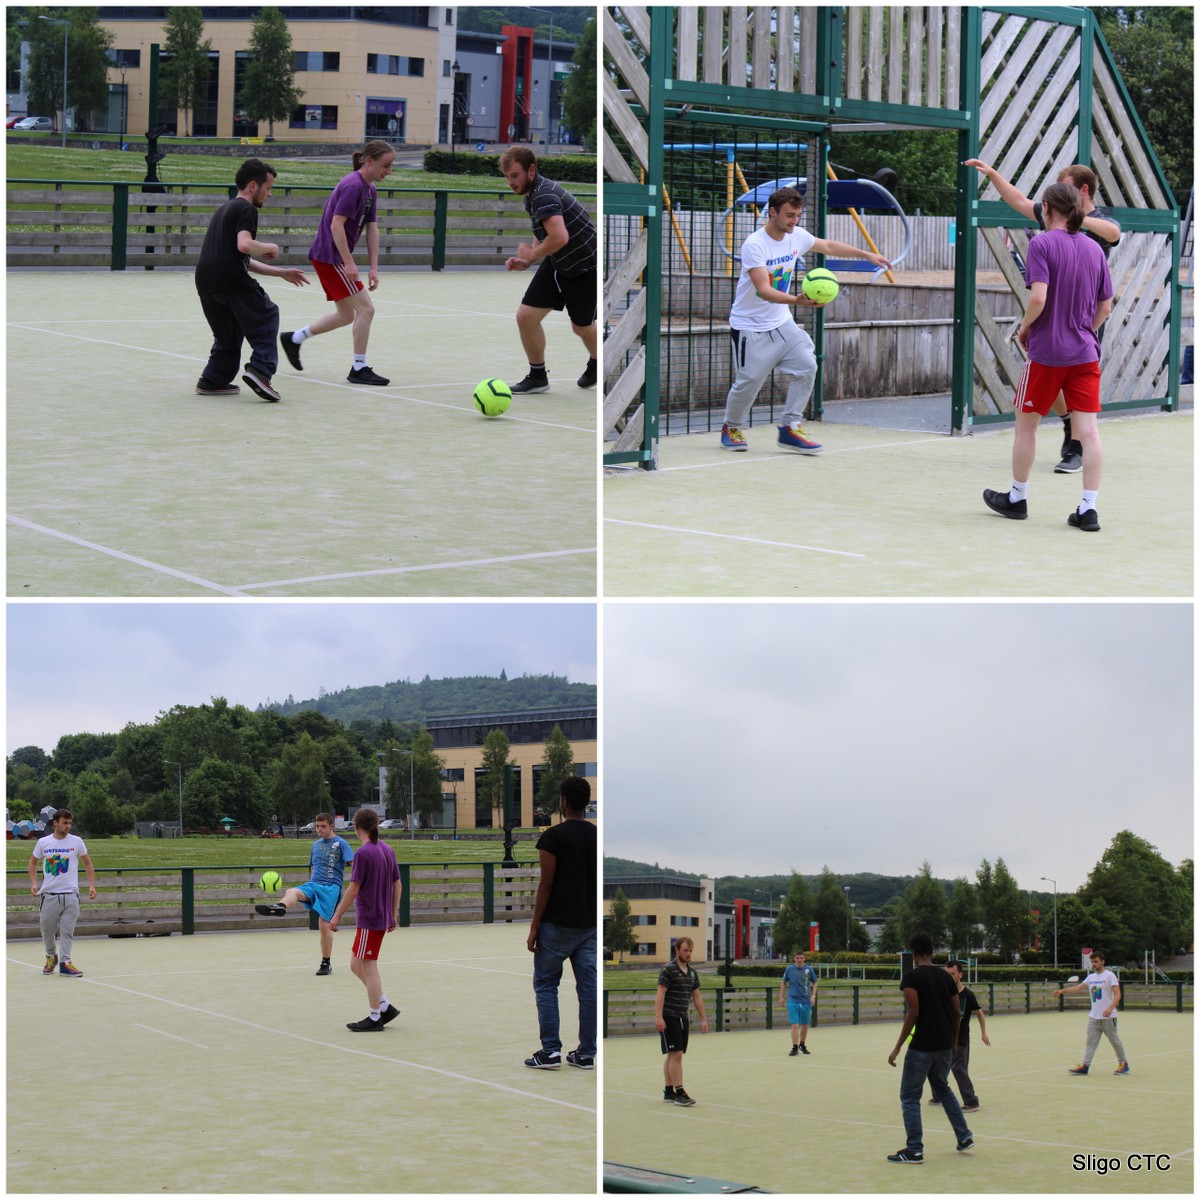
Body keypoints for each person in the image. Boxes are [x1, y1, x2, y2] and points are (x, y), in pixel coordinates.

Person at [964, 159, 1121, 473]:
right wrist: (994, 174)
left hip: (1082, 318)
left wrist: (1074, 218)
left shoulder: (1099, 221)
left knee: (1074, 387)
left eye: (1067, 185)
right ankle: (1068, 426)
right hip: (1051, 317)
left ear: (1083, 190)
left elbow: (1114, 233)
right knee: (1055, 384)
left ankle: (1075, 447)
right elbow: (1020, 200)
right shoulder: (1051, 225)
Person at [981, 182, 1113, 531]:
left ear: (1049, 209)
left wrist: (1025, 327)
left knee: (1026, 426)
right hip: (1085, 354)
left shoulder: (1040, 243)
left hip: (1047, 354)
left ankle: (1017, 498)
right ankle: (1088, 509)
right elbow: (1106, 306)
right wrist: (1087, 330)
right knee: (1089, 433)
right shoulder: (1094, 248)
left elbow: (1038, 298)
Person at [720, 186, 892, 455]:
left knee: (807, 365)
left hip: (782, 323)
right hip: (750, 327)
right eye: (789, 215)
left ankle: (790, 426)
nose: (794, 221)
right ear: (773, 212)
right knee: (749, 381)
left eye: (798, 215)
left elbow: (829, 245)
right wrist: (797, 301)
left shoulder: (796, 236)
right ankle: (732, 427)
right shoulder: (755, 244)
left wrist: (867, 255)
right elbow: (763, 290)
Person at [194, 158, 309, 402]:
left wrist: (281, 272)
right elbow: (244, 245)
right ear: (253, 185)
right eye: (268, 188)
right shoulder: (246, 209)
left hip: (206, 280)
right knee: (267, 315)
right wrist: (271, 246)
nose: (269, 195)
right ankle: (260, 370)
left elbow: (240, 258)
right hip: (229, 277)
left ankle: (213, 380)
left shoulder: (224, 209)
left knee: (229, 333)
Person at [281, 140, 395, 386]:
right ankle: (359, 368)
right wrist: (349, 262)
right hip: (330, 257)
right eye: (386, 165)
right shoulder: (353, 185)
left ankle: (294, 338)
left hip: (332, 257)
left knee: (346, 315)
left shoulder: (370, 190)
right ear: (370, 162)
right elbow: (336, 224)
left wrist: (374, 267)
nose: (390, 170)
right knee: (366, 309)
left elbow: (372, 230)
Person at [499, 146, 598, 393]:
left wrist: (532, 254)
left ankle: (598, 362)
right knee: (525, 316)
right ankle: (537, 376)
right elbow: (543, 234)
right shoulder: (532, 195)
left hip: (584, 267)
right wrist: (528, 261)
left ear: (531, 170)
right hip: (557, 263)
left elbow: (560, 237)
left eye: (514, 175)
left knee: (581, 327)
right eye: (507, 176)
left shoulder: (544, 195)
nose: (510, 182)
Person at [524, 776, 597, 1070]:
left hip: (556, 925)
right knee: (588, 989)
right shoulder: (596, 836)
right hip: (588, 926)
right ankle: (586, 1053)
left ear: (564, 801)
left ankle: (551, 1051)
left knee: (545, 984)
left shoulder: (552, 837)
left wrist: (534, 927)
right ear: (586, 803)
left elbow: (546, 885)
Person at [887, 933, 973, 1163]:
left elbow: (913, 1013)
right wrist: (953, 1041)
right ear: (932, 952)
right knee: (943, 1089)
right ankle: (964, 1136)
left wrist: (896, 1048)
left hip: (922, 1047)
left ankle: (914, 1149)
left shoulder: (912, 978)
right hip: (944, 1046)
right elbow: (957, 1012)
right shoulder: (946, 978)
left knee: (909, 1096)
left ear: (913, 954)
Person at [329, 808, 403, 1031]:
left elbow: (353, 889)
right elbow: (397, 885)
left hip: (370, 918)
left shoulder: (362, 853)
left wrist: (337, 915)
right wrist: (393, 912)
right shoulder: (387, 850)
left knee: (369, 967)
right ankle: (384, 1006)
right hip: (379, 917)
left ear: (356, 826)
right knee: (355, 964)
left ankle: (374, 1017)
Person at [255, 812, 354, 975]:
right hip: (313, 885)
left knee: (323, 926)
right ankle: (280, 906)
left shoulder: (341, 844)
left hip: (331, 888)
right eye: (317, 826)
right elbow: (313, 868)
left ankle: (326, 963)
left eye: (323, 826)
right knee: (291, 891)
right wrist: (309, 885)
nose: (319, 829)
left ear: (331, 826)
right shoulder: (315, 845)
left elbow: (354, 864)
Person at [28, 808, 96, 977]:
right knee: (47, 930)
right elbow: (33, 862)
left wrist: (92, 885)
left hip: (71, 895)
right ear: (55, 823)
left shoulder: (77, 841)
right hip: (50, 895)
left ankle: (65, 962)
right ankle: (51, 956)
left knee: (67, 931)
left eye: (70, 823)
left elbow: (88, 863)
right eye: (65, 823)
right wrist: (33, 883)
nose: (68, 826)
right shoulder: (43, 842)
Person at [1053, 950, 1129, 1075]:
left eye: (1096, 961)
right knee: (1090, 1043)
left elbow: (1117, 994)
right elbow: (1077, 988)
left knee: (1114, 1041)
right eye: (1092, 961)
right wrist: (1061, 991)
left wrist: (1110, 1008)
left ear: (1102, 962)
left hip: (1108, 1018)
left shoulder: (1110, 976)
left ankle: (1123, 1064)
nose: (1093, 964)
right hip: (1094, 1017)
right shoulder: (1091, 977)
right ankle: (1085, 1066)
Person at [927, 960, 989, 1111]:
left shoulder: (968, 995)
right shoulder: (942, 993)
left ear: (960, 975)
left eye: (952, 974)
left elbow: (979, 1013)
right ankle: (938, 1096)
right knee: (936, 1068)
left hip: (960, 1041)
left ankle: (972, 1101)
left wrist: (983, 1033)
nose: (949, 977)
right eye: (947, 974)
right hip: (944, 1040)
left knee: (958, 1068)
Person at [655, 935, 708, 1106]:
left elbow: (697, 996)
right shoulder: (668, 970)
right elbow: (660, 993)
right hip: (669, 1016)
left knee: (674, 1055)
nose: (688, 954)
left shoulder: (692, 973)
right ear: (677, 950)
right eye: (685, 950)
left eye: (691, 951)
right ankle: (680, 1092)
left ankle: (668, 1091)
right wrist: (659, 1017)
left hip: (683, 1017)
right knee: (676, 1054)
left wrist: (703, 1019)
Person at [779, 949, 819, 1055]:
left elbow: (815, 982)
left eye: (801, 958)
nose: (799, 960)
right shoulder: (789, 969)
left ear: (804, 958)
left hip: (806, 1001)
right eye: (797, 958)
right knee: (795, 1025)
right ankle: (794, 1047)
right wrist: (781, 997)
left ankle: (802, 1044)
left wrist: (813, 996)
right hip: (793, 1001)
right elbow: (783, 982)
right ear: (794, 959)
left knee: (805, 1024)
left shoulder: (809, 969)